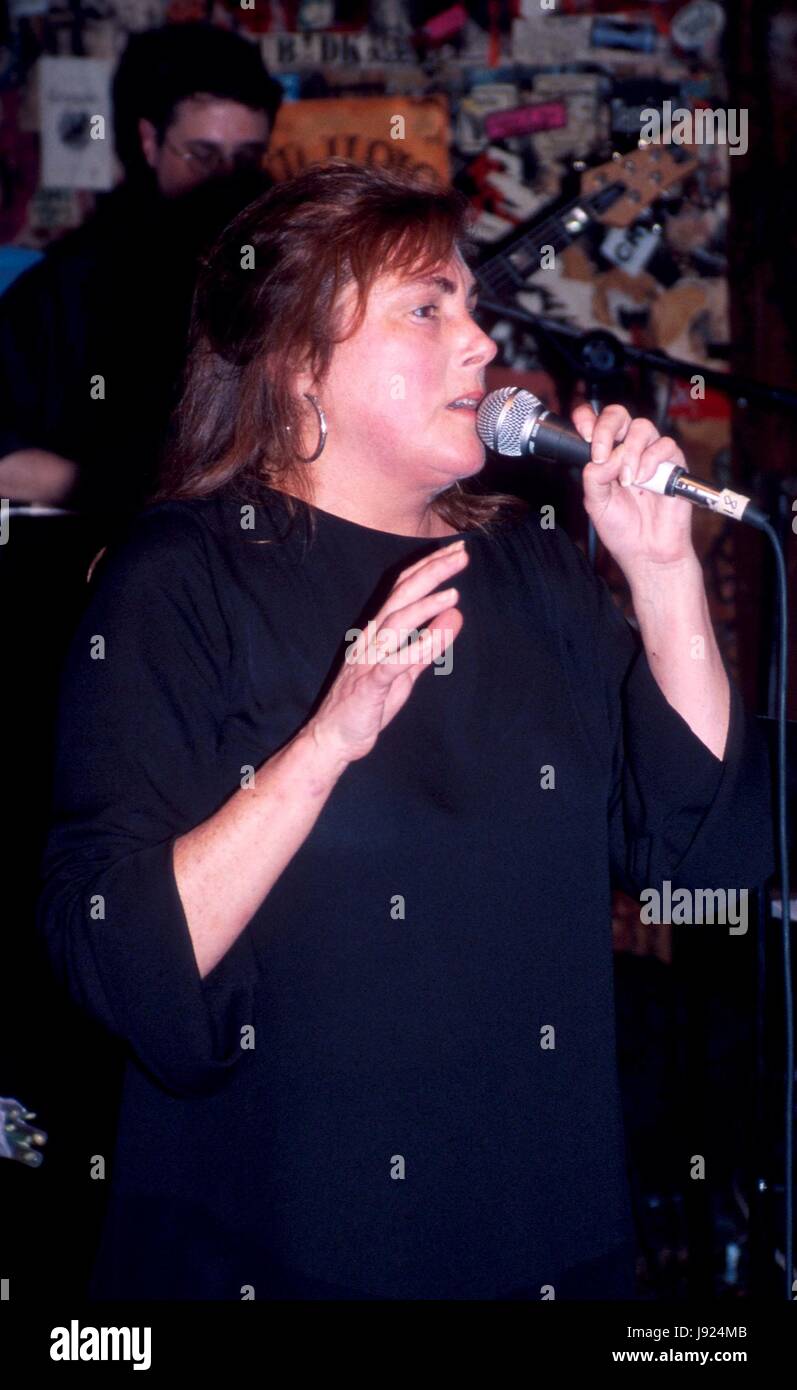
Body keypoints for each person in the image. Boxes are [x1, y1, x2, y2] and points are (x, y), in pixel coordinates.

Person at [35, 159, 774, 1301]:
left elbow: (703, 854)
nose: (478, 343)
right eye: (427, 308)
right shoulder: (177, 579)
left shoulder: (525, 568)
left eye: (469, 307)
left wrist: (661, 571)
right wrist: (327, 742)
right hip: (279, 1246)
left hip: (539, 1234)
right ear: (293, 366)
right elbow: (120, 957)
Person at [0, 22, 282, 522]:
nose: (226, 180)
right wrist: (128, 488)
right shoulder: (71, 287)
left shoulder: (273, 276)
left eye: (247, 158)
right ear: (150, 142)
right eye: (203, 155)